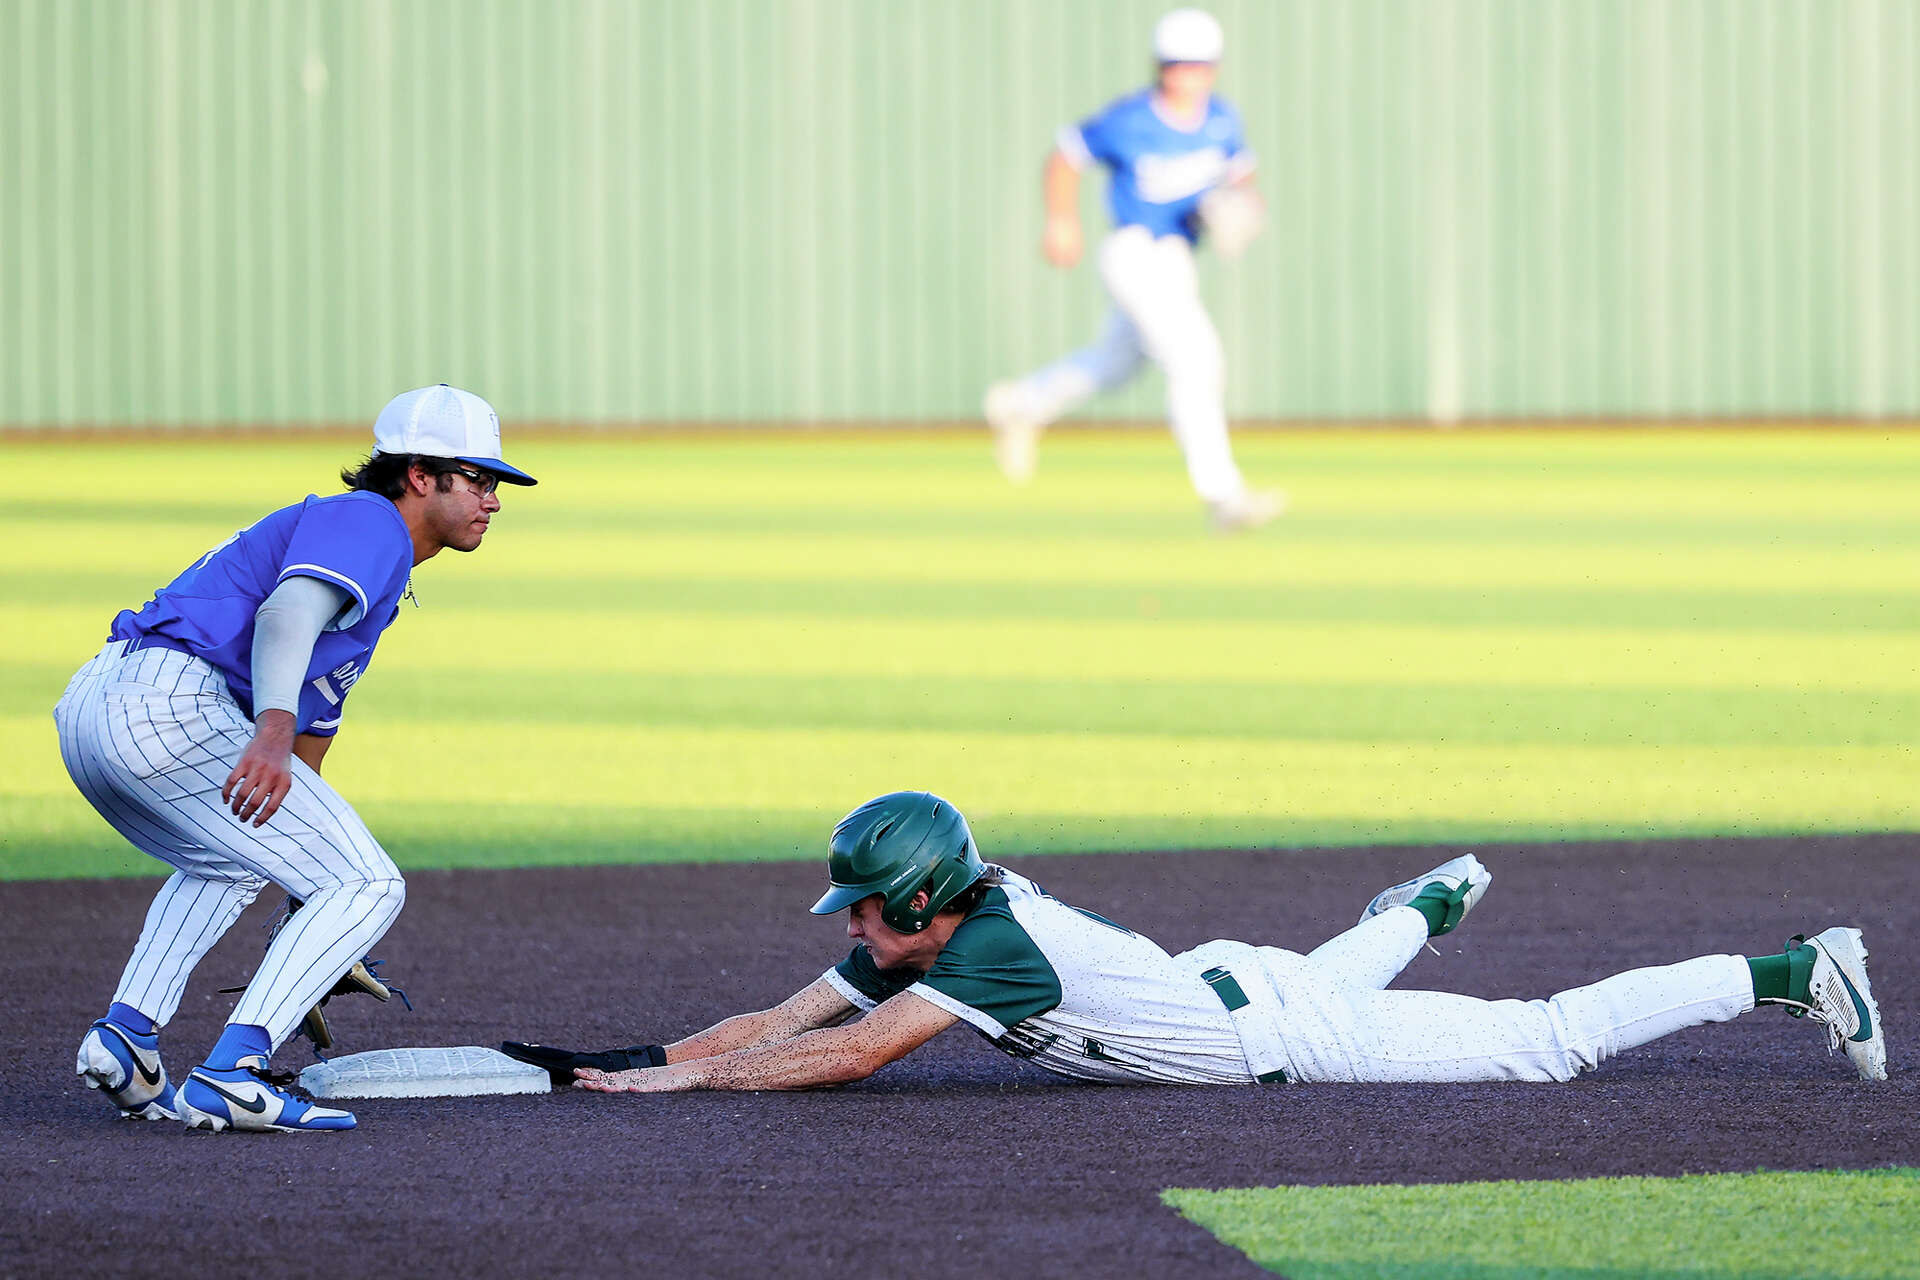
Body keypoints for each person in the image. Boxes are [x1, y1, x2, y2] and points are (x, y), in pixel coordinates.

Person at [518, 791, 1886, 1095]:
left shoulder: (995, 950)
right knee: (1332, 962)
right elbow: (789, 1014)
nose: (856, 933)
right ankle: (1426, 903)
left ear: (928, 905)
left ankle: (1793, 967)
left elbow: (857, 1053)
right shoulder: (934, 923)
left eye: (871, 913)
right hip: (1227, 982)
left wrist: (688, 1082)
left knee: (1546, 1045)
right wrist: (636, 1062)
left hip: (1272, 1025)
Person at [59, 384, 537, 1133]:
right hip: (168, 701)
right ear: (418, 475)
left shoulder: (374, 566)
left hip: (102, 708)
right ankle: (233, 1072)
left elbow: (304, 764)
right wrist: (273, 732)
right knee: (372, 883)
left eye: (495, 483)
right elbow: (285, 616)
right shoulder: (371, 522)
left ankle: (128, 1039)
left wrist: (309, 912)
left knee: (239, 858)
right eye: (477, 479)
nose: (494, 499)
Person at [983, 8, 1283, 532]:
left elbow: (1243, 176)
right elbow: (1066, 154)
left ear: (1213, 68)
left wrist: (1241, 206)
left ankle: (1020, 404)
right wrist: (1060, 221)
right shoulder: (1131, 120)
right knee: (1196, 358)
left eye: (1198, 65)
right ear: (1159, 66)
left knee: (1114, 366)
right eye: (1176, 64)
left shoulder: (1222, 120)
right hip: (1133, 252)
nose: (1187, 74)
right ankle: (1223, 494)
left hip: (1176, 258)